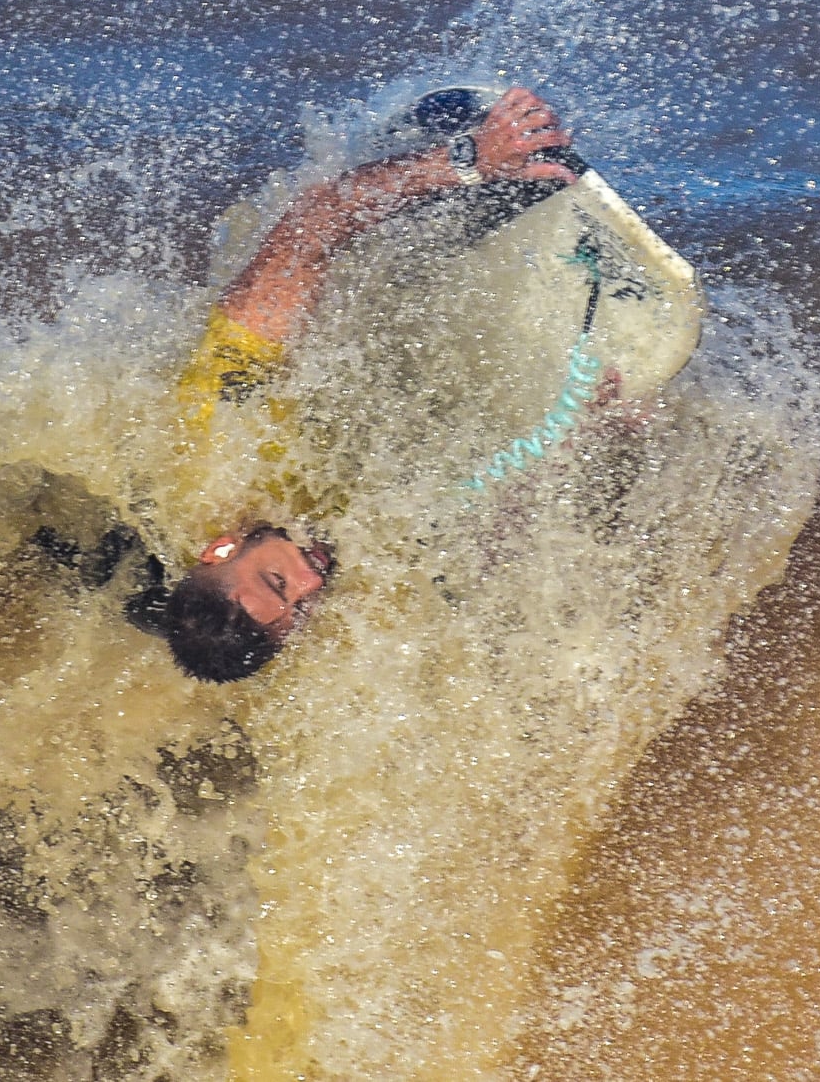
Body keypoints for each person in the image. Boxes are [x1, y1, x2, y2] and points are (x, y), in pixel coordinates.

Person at [48, 86, 578, 683]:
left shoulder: (221, 428)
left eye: (277, 582)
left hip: (126, 539)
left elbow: (309, 228)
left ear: (222, 550)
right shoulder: (299, 565)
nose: (311, 581)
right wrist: (578, 427)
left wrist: (467, 159)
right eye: (299, 607)